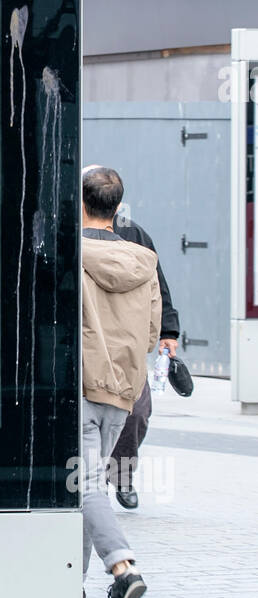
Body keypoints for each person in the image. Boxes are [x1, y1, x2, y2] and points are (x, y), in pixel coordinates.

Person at [81, 166, 160, 598]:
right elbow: (151, 332)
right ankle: (71, 583)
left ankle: (122, 568)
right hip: (123, 389)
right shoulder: (142, 259)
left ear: (83, 204)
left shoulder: (74, 252)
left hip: (82, 383)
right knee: (83, 486)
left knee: (85, 483)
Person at [109, 206, 181, 510]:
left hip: (128, 344)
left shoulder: (134, 234)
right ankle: (86, 482)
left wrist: (168, 332)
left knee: (136, 413)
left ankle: (122, 475)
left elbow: (158, 287)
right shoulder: (67, 231)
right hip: (84, 342)